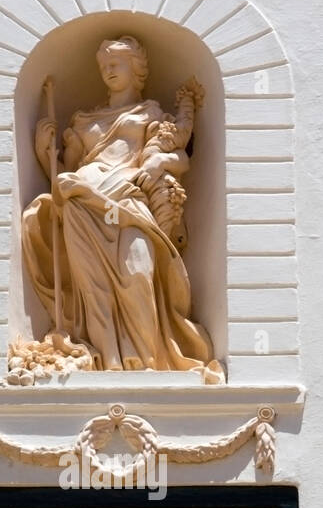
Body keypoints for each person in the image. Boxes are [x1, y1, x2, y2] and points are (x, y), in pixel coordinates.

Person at [21, 35, 223, 382]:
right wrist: (44, 151)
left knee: (138, 272)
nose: (108, 71)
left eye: (116, 64)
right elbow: (62, 172)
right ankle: (110, 364)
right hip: (82, 205)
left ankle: (146, 362)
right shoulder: (84, 120)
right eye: (104, 66)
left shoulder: (151, 114)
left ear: (136, 68)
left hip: (127, 200)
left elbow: (179, 158)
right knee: (94, 287)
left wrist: (158, 166)